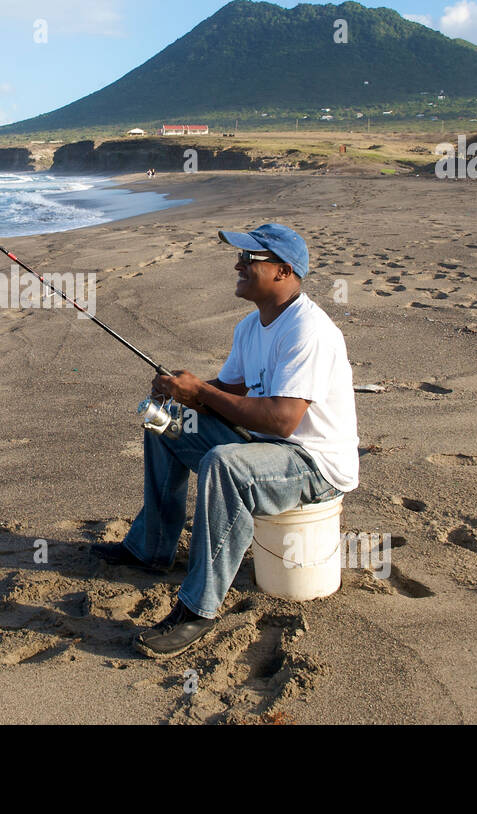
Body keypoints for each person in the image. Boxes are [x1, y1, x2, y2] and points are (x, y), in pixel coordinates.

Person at [93, 223, 359, 658]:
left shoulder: (308, 330)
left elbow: (282, 420)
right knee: (167, 422)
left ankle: (198, 608)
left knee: (224, 463)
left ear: (283, 271)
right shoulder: (251, 327)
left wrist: (201, 393)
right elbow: (234, 392)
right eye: (239, 256)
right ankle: (151, 548)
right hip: (268, 449)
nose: (237, 264)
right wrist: (183, 394)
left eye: (249, 258)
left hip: (313, 466)